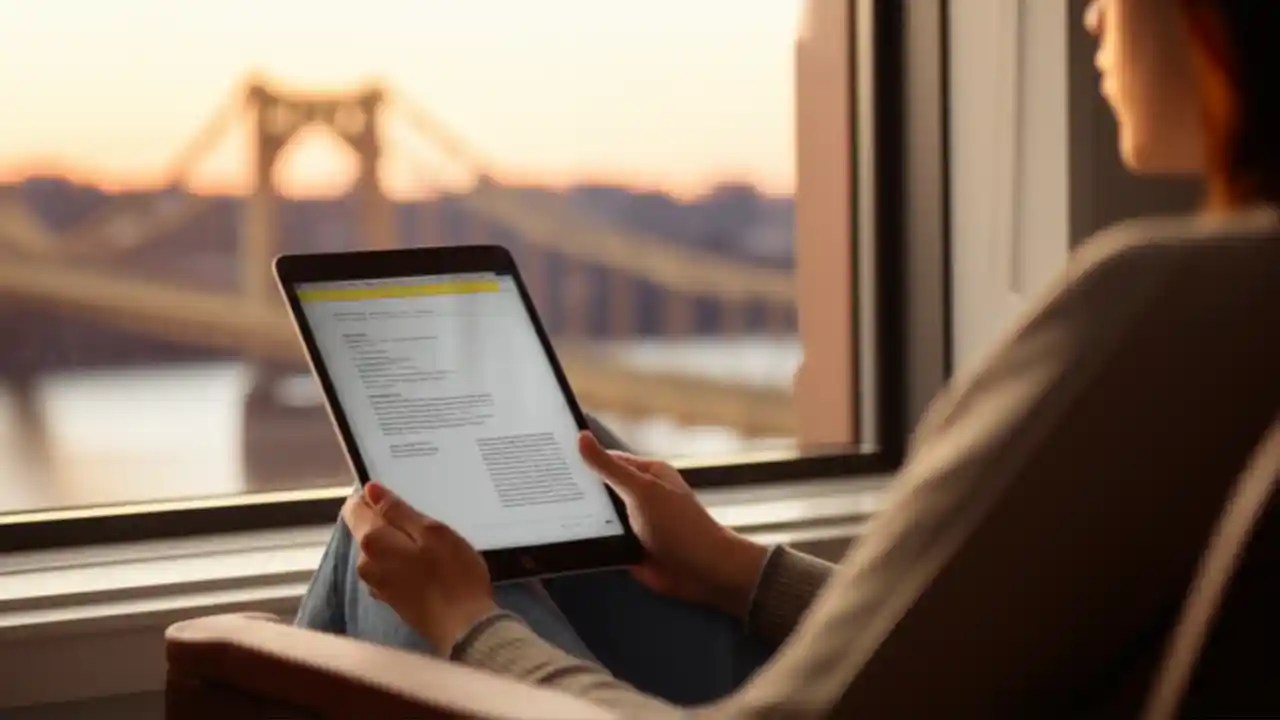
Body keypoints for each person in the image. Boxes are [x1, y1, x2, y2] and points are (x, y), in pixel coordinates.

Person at [297, 0, 1280, 715]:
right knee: (555, 463)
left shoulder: (1156, 299)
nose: (1091, 20)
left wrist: (470, 630)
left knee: (389, 523)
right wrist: (733, 568)